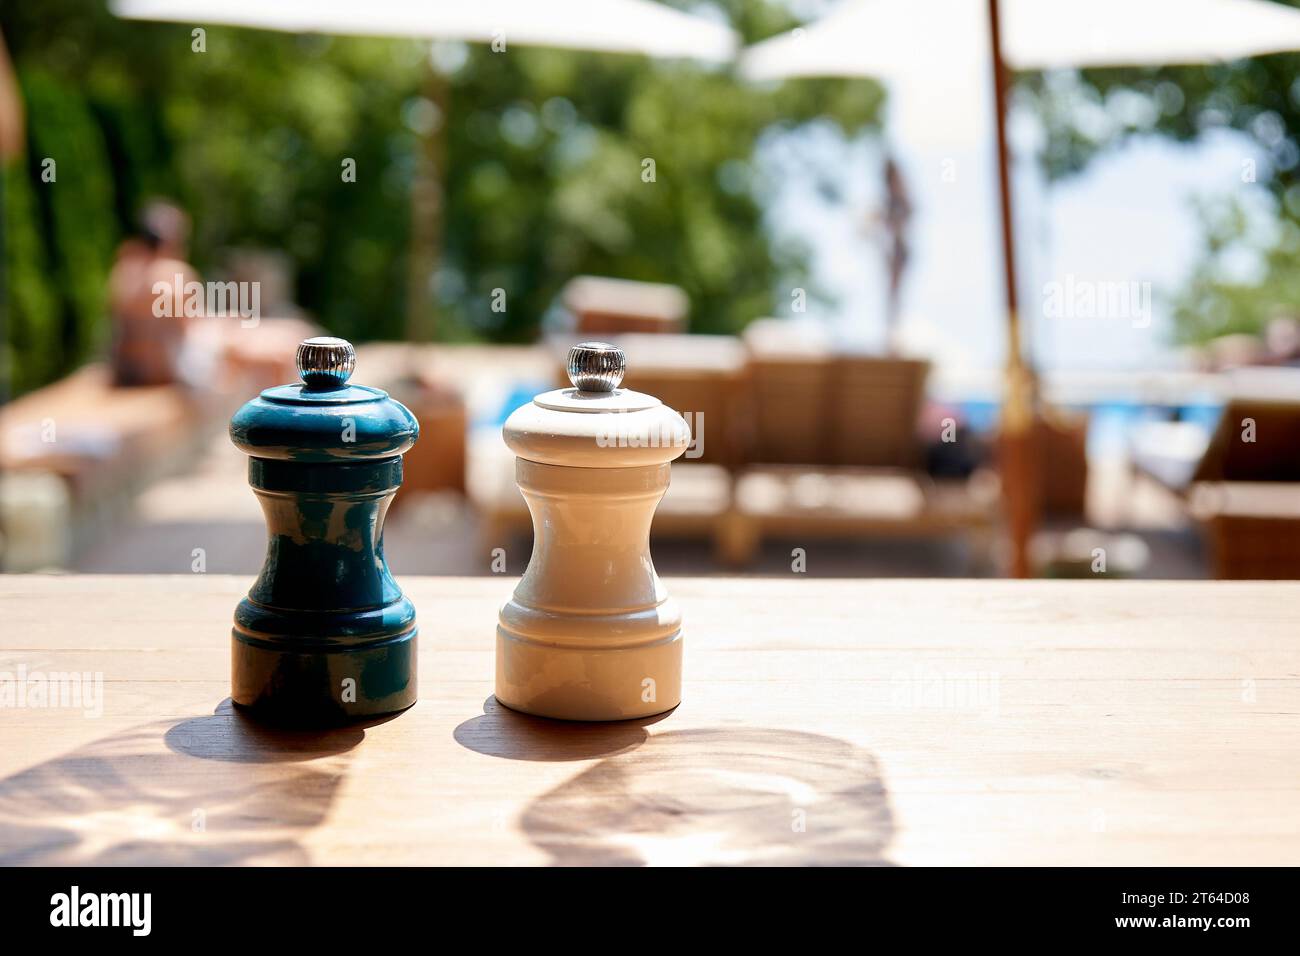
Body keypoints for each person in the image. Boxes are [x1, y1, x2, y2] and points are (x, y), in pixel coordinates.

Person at [108, 202, 199, 387]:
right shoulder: (174, 272)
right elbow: (190, 326)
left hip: (129, 370)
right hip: (165, 370)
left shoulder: (125, 269)